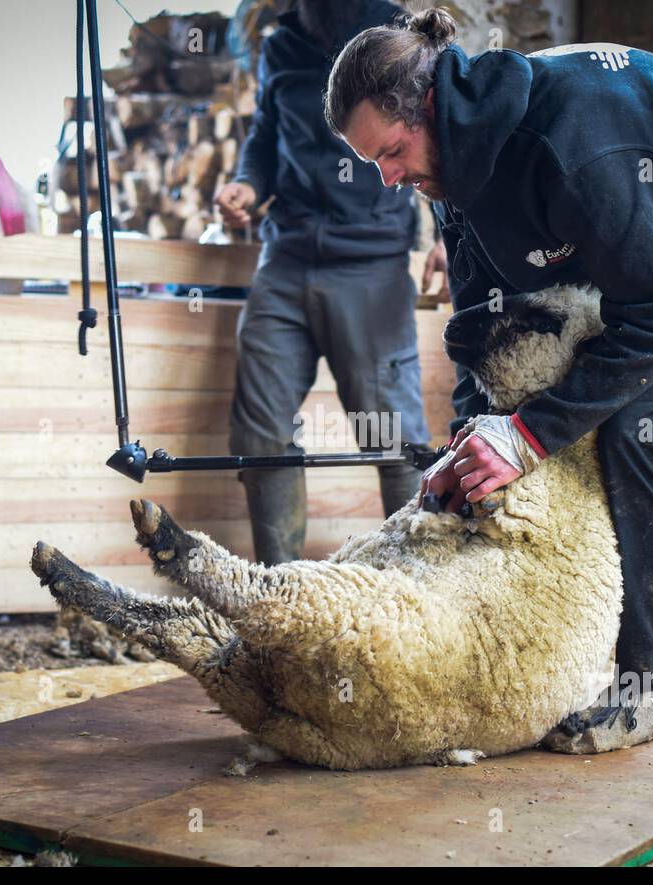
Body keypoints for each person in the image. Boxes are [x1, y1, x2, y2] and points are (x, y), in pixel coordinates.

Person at [325, 7, 653, 752]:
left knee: (637, 430)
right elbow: (482, 328)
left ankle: (650, 687)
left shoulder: (574, 137)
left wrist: (528, 436)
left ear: (431, 107)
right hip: (642, 235)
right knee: (531, 422)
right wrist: (468, 443)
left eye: (393, 151)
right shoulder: (451, 174)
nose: (389, 178)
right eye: (374, 162)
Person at [216, 0, 443, 566]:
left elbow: (434, 130)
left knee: (395, 440)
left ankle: (412, 594)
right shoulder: (282, 44)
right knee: (259, 434)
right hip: (285, 257)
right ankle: (279, 599)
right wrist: (247, 183)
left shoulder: (397, 34)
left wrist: (448, 231)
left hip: (372, 263)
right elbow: (265, 135)